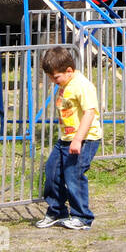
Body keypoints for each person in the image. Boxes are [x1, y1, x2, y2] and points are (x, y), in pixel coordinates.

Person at [36, 46, 102, 229]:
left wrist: (78, 140)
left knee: (74, 175)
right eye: (50, 77)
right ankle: (57, 211)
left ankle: (82, 217)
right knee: (52, 172)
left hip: (84, 139)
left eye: (55, 77)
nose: (53, 81)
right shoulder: (65, 84)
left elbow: (89, 113)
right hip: (65, 139)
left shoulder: (82, 85)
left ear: (69, 71)